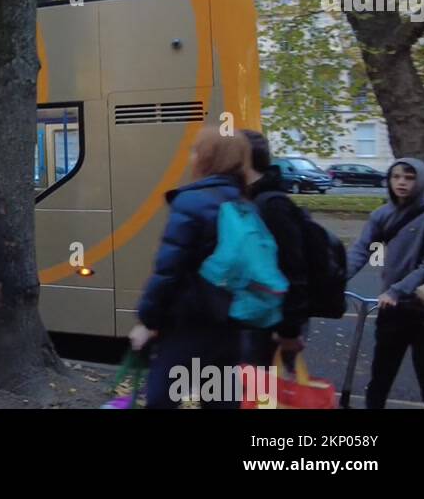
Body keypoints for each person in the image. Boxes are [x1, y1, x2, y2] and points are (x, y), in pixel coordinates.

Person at [129, 127, 254, 409]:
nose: (191, 158)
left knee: (161, 400)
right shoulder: (245, 205)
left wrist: (148, 321)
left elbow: (168, 271)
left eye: (195, 151)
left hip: (190, 327)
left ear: (209, 159)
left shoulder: (192, 202)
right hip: (231, 329)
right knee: (220, 402)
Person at [344, 157, 424, 409]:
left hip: (422, 308)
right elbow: (362, 250)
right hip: (391, 309)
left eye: (409, 178)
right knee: (381, 373)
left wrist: (396, 290)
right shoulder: (382, 215)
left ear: (421, 180)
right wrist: (336, 278)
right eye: (397, 177)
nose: (402, 182)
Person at [240, 130, 308, 365]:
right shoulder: (250, 200)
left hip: (270, 328)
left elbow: (293, 270)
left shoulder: (272, 205)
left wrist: (289, 330)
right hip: (254, 319)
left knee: (263, 395)